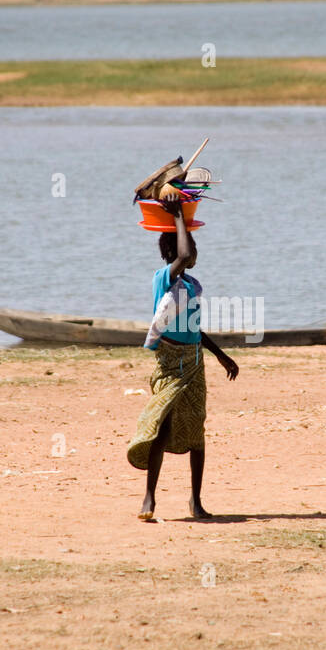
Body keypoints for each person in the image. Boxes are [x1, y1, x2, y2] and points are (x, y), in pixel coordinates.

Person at [126, 197, 238, 521]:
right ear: (175, 251)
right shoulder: (163, 279)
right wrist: (178, 217)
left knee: (197, 431)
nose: (194, 253)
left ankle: (196, 501)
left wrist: (221, 355)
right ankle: (149, 497)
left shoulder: (191, 285)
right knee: (162, 428)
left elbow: (194, 329)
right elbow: (185, 254)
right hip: (169, 364)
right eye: (189, 244)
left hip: (193, 361)